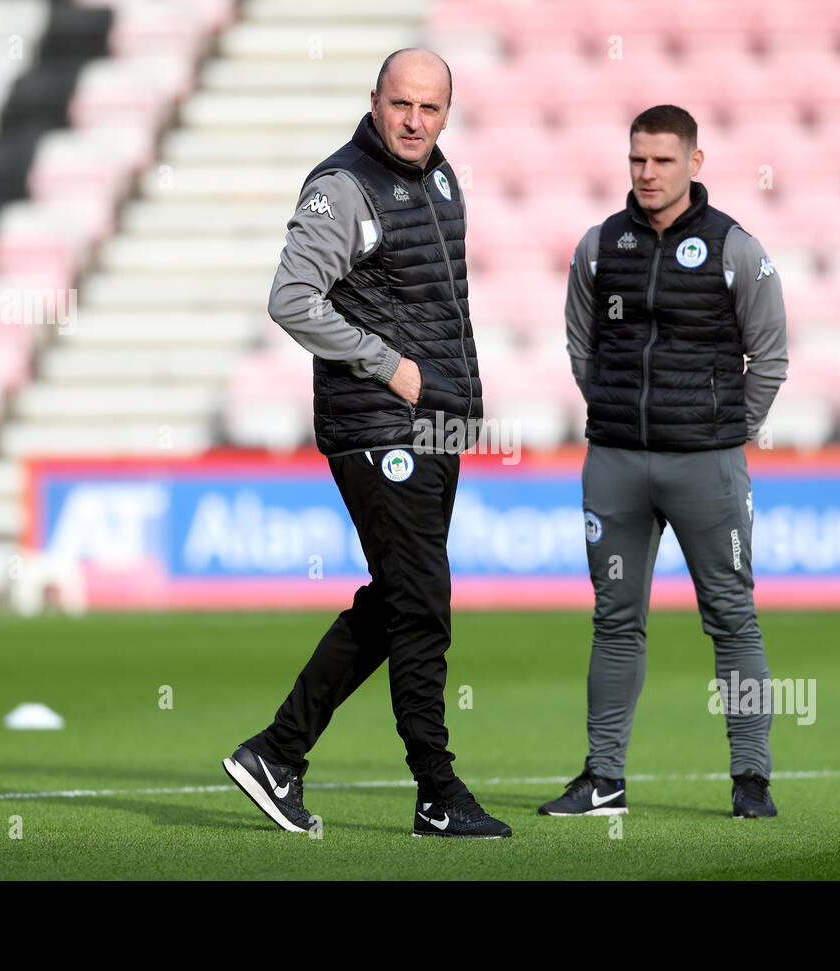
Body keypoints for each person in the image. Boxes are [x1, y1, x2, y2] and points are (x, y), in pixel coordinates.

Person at [222, 48, 511, 839]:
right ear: (375, 100)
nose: (415, 120)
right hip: (379, 424)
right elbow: (291, 297)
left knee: (396, 601)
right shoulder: (342, 187)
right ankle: (436, 791)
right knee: (421, 607)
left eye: (430, 107)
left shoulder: (442, 177)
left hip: (436, 427)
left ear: (447, 113)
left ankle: (277, 754)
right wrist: (392, 368)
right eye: (401, 104)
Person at [540, 104, 788, 819]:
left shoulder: (734, 247)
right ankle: (603, 778)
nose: (647, 174)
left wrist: (726, 432)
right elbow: (581, 345)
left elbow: (768, 356)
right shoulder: (598, 245)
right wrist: (618, 414)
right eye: (637, 160)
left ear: (694, 163)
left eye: (662, 161)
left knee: (732, 616)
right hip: (615, 465)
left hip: (705, 467)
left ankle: (750, 778)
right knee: (615, 619)